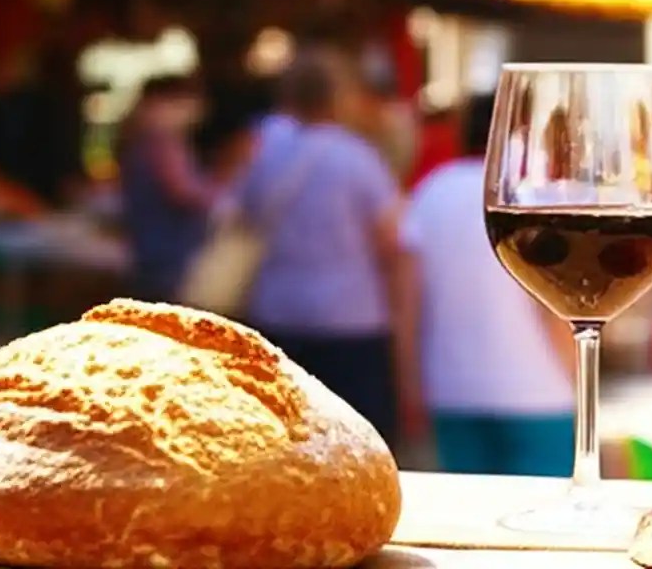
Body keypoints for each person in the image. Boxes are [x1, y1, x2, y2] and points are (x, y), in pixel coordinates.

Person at [238, 47, 409, 446]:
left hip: (278, 311)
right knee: (356, 442)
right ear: (339, 96)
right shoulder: (357, 157)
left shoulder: (266, 154)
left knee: (286, 440)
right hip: (350, 319)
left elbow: (245, 215)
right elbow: (391, 238)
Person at [398, 93, 575, 477]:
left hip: (452, 387)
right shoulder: (534, 197)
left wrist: (410, 382)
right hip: (538, 391)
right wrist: (580, 379)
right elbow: (552, 304)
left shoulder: (430, 192)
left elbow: (407, 304)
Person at [118, 75, 216, 302]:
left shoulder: (138, 139)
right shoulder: (161, 143)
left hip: (149, 254)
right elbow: (184, 193)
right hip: (171, 259)